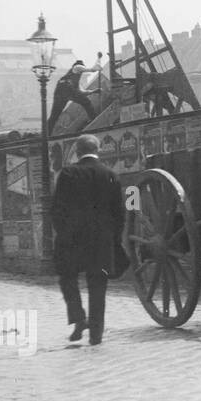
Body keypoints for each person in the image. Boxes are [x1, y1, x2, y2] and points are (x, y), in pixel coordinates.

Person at [52, 134, 125, 346]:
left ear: (77, 151)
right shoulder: (110, 174)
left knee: (67, 278)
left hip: (72, 240)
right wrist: (114, 239)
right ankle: (96, 334)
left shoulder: (67, 173)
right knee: (98, 285)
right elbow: (119, 213)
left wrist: (63, 234)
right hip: (101, 242)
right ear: (98, 150)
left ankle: (78, 317)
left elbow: (57, 210)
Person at [47, 60, 98, 134]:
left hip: (60, 93)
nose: (82, 72)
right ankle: (93, 119)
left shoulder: (74, 79)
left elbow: (81, 92)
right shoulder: (77, 67)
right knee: (86, 102)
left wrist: (93, 91)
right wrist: (98, 61)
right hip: (67, 89)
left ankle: (47, 134)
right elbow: (93, 69)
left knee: (54, 115)